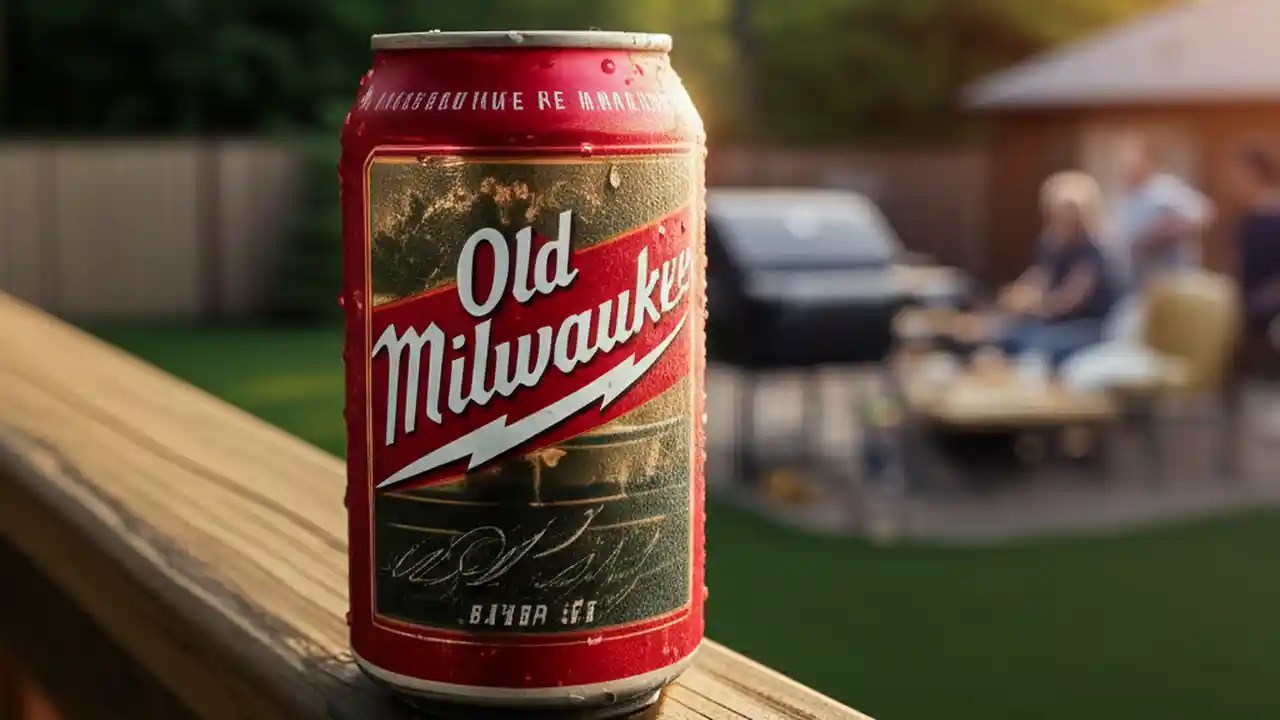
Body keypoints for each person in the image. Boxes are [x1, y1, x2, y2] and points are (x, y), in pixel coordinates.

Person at [999, 172, 1119, 365]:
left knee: (1035, 345)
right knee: (1006, 335)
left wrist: (1033, 307)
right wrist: (1016, 296)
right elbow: (1039, 276)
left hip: (1092, 325)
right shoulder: (1053, 242)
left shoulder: (1094, 249)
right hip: (1057, 321)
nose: (1062, 219)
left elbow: (1071, 299)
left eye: (1069, 213)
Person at [1114, 141, 1214, 290]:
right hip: (1142, 281)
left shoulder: (1165, 189)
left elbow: (1203, 214)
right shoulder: (1130, 198)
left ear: (1147, 162)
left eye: (1132, 163)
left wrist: (1161, 233)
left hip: (1174, 279)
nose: (1127, 169)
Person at [1234, 146, 1280, 346]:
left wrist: (1261, 302)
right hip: (1249, 307)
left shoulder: (1275, 214)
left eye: (1236, 173)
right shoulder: (1248, 216)